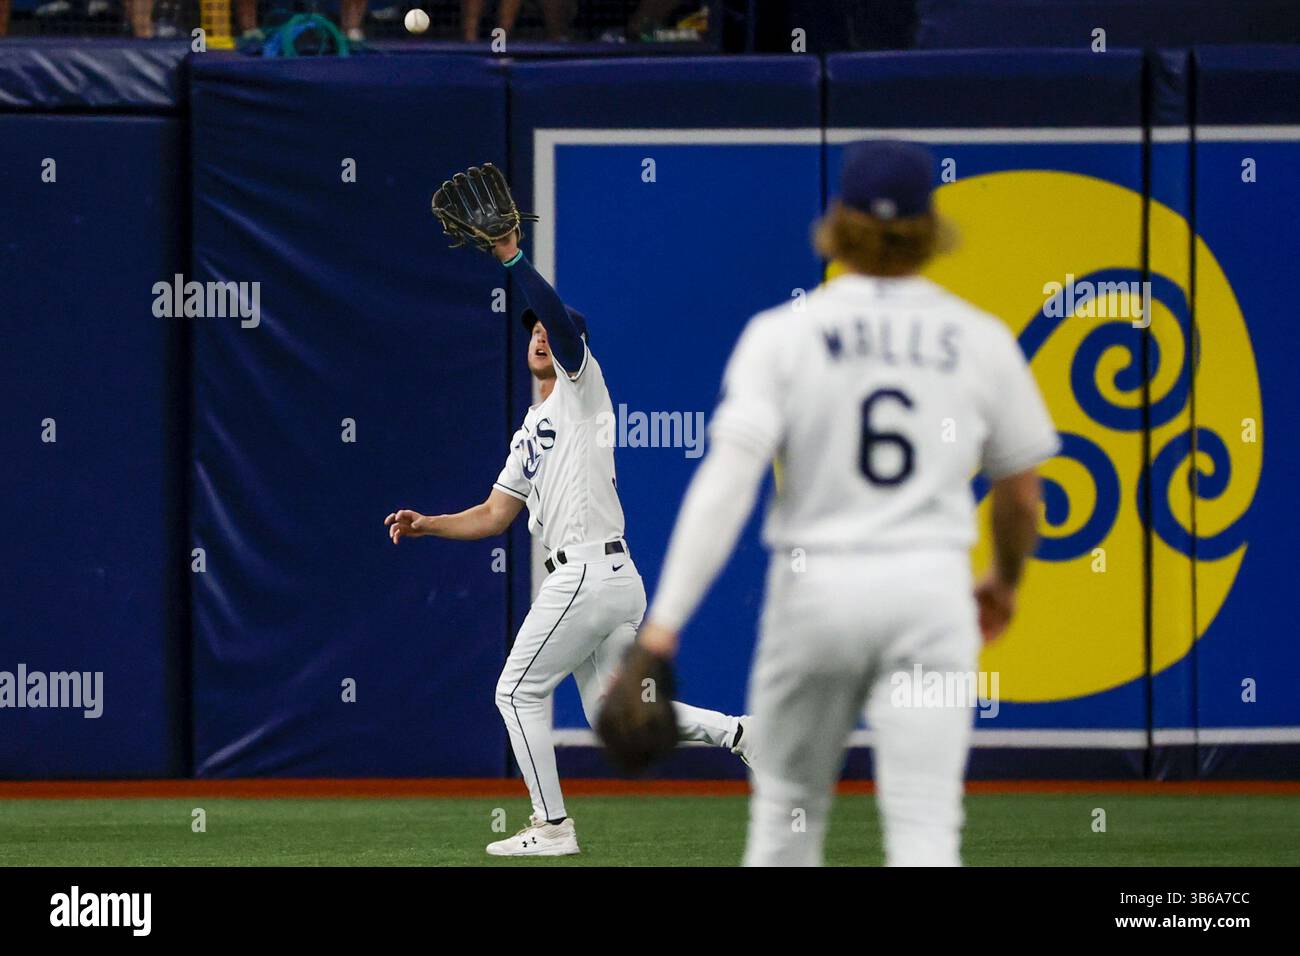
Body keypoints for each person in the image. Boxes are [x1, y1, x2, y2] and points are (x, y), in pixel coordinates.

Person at [630, 140, 1059, 866]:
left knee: (787, 821)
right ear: (929, 229)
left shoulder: (785, 334)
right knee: (925, 830)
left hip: (817, 590)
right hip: (929, 591)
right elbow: (1020, 494)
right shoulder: (979, 339)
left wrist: (662, 629)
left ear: (839, 224)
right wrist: (1006, 582)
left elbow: (728, 482)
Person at [385, 229, 753, 857]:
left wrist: (512, 259)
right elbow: (494, 515)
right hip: (605, 579)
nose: (539, 334)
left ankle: (552, 826)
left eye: (548, 331)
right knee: (616, 711)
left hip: (587, 572)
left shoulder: (583, 392)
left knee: (515, 690)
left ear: (569, 345)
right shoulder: (530, 429)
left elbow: (557, 319)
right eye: (531, 329)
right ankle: (742, 733)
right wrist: (429, 524)